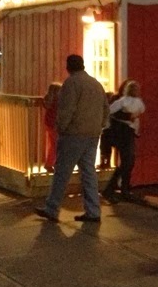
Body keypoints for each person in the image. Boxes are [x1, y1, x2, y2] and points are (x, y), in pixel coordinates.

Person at [34, 55, 109, 223]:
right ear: (82, 65)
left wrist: (61, 128)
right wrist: (100, 125)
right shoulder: (96, 84)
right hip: (93, 134)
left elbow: (66, 109)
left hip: (74, 135)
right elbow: (105, 108)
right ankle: (93, 211)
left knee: (62, 172)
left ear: (68, 67)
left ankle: (52, 208)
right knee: (88, 173)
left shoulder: (71, 83)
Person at [102, 80, 145, 203]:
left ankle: (119, 187)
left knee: (128, 161)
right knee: (128, 160)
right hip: (122, 132)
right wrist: (128, 117)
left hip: (128, 132)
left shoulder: (133, 102)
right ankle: (119, 188)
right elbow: (110, 112)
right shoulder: (121, 101)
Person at [100, 80, 129, 168]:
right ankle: (105, 161)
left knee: (108, 134)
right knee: (106, 134)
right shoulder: (116, 98)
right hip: (114, 127)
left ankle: (106, 161)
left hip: (123, 129)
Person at [42, 82, 62, 172]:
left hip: (48, 123)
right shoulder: (58, 100)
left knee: (53, 144)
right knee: (57, 145)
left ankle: (50, 163)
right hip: (56, 124)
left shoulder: (48, 99)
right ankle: (51, 164)